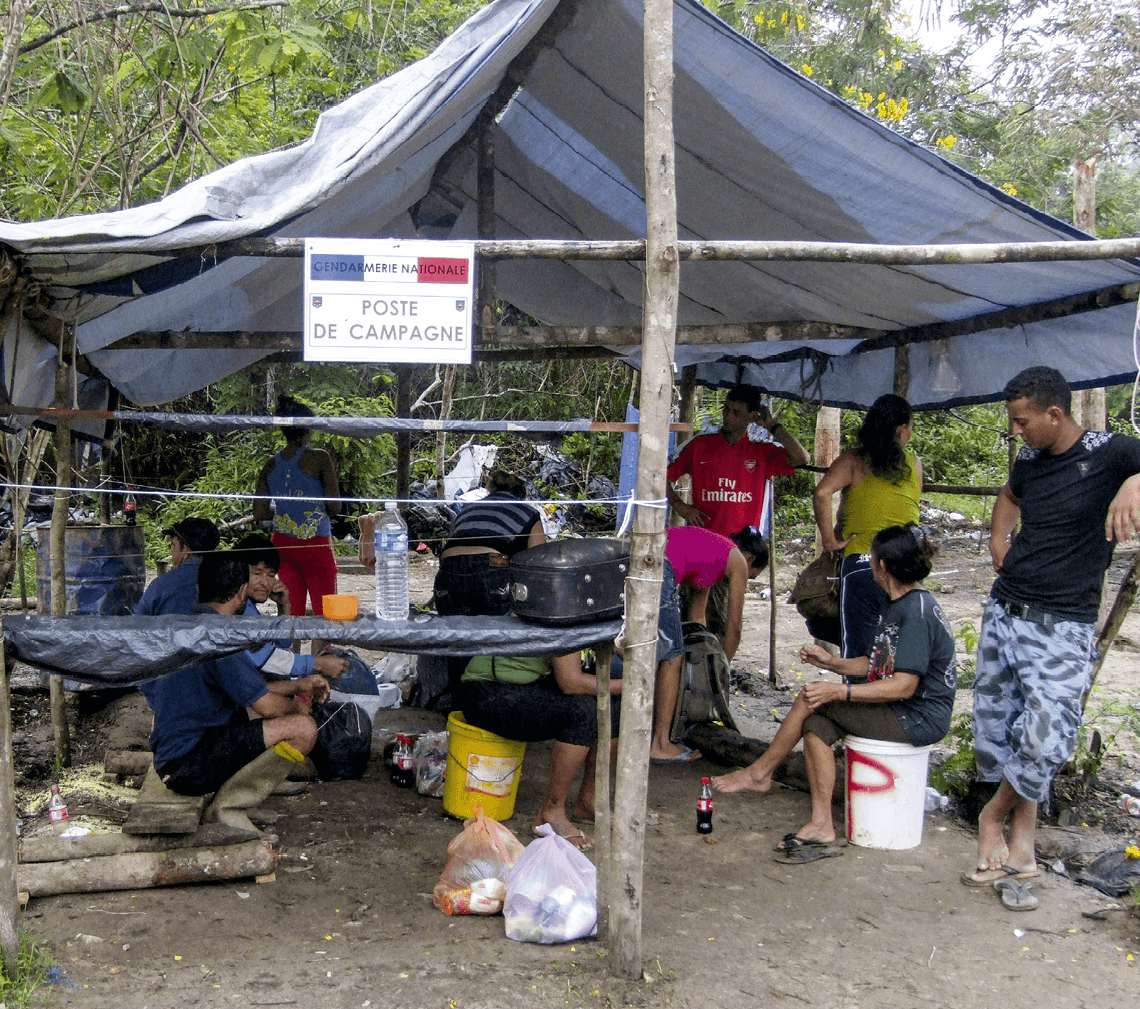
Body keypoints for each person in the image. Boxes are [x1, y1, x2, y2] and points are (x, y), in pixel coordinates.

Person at [964, 367, 1140, 888]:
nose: (1017, 432)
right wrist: (998, 539)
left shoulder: (1112, 452)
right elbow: (1009, 495)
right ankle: (1022, 849)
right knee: (1000, 736)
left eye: (1023, 422)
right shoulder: (1032, 461)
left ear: (1055, 414)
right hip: (1005, 614)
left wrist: (1136, 481)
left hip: (1062, 626)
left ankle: (992, 816)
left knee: (1045, 741)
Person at [712, 524, 956, 862]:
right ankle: (821, 824)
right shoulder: (899, 601)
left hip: (918, 716)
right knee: (816, 726)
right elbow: (878, 663)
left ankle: (759, 773)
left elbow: (904, 684)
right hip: (905, 708)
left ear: (881, 565)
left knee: (811, 699)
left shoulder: (915, 612)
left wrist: (839, 693)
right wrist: (833, 663)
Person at [142, 551, 331, 832]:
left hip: (177, 753)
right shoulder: (219, 638)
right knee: (303, 729)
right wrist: (297, 706)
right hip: (186, 766)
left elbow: (250, 690)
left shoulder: (197, 623)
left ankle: (237, 795)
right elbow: (266, 706)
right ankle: (228, 807)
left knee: (258, 714)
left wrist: (295, 686)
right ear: (242, 591)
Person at [460, 651, 620, 851]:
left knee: (613, 706)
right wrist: (630, 684)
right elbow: (571, 682)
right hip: (487, 690)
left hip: (529, 684)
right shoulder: (565, 625)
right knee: (581, 713)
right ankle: (551, 812)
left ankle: (588, 801)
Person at [812, 393, 922, 659]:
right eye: (911, 427)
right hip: (906, 564)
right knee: (900, 650)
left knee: (859, 649)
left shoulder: (853, 460)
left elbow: (822, 493)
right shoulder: (913, 464)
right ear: (902, 429)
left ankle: (855, 685)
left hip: (863, 562)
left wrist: (829, 541)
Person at [667, 383, 809, 537]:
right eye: (726, 409)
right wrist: (679, 505)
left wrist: (772, 426)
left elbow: (802, 458)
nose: (728, 416)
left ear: (752, 416)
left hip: (745, 546)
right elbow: (659, 476)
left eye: (736, 412)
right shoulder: (698, 445)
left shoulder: (762, 450)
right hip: (704, 543)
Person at [253, 395, 340, 621]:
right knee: (325, 611)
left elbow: (259, 512)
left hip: (283, 543)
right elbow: (335, 505)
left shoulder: (270, 465)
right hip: (315, 542)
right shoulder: (320, 458)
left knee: (291, 609)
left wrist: (283, 511)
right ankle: (321, 645)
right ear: (309, 428)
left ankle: (290, 645)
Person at [233, 533, 348, 683]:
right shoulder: (239, 608)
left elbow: (282, 646)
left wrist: (284, 608)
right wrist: (318, 664)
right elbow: (267, 659)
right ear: (239, 570)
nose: (265, 583)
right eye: (257, 573)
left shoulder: (248, 606)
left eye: (270, 575)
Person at [664, 525, 769, 663]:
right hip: (663, 560)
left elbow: (698, 618)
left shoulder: (715, 555)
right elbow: (735, 628)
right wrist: (723, 667)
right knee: (672, 655)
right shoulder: (739, 562)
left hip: (659, 546)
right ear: (750, 559)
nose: (746, 579)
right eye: (751, 576)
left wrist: (702, 657)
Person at [134, 517, 220, 616]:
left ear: (185, 550)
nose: (172, 551)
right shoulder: (226, 582)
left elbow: (138, 621)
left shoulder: (161, 585)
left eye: (174, 545)